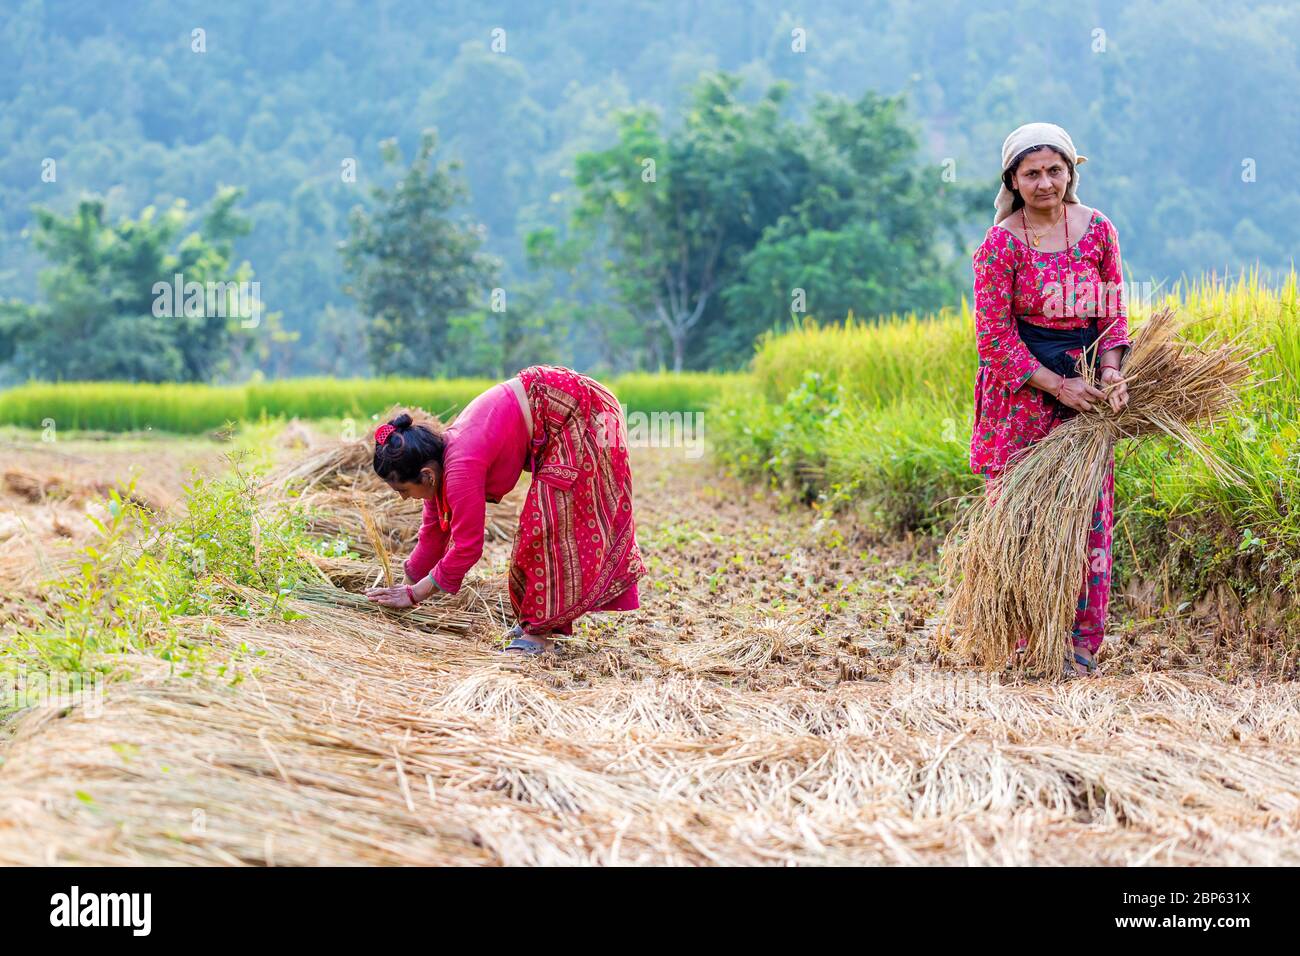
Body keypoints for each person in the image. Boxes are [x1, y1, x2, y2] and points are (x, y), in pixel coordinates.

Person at [970, 122, 1131, 677]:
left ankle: (1081, 645)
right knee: (1021, 519)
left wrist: (1110, 373)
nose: (1045, 183)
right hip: (1022, 397)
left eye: (1055, 170)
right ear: (1012, 180)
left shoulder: (1099, 230)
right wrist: (1056, 384)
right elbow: (993, 338)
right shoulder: (1000, 245)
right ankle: (1021, 639)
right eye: (1032, 173)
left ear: (1071, 173)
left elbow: (1112, 315)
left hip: (1086, 395)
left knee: (1089, 517)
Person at [365, 365, 646, 655]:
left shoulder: (460, 467)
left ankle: (539, 634)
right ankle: (539, 622)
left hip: (584, 413)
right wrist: (403, 588)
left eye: (402, 491)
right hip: (563, 410)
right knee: (542, 525)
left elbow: (467, 548)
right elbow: (433, 534)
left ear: (426, 476)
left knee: (544, 529)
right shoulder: (439, 461)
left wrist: (414, 595)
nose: (402, 499)